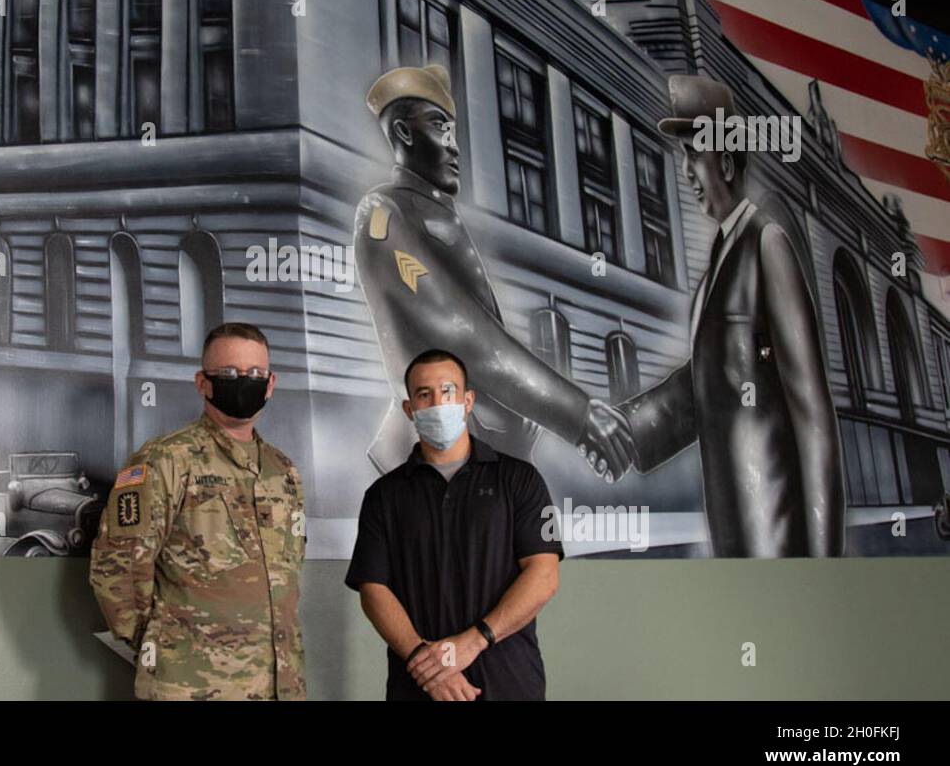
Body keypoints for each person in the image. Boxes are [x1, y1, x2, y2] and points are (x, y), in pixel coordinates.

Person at [353, 64, 635, 482]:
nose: (454, 147)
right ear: (404, 134)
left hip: (481, 464)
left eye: (452, 131)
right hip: (426, 466)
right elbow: (462, 331)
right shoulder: (384, 213)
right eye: (438, 127)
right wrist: (577, 414)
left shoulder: (435, 213)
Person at [618, 74, 845, 557]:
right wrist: (617, 430)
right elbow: (696, 387)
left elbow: (812, 412)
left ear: (723, 160)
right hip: (736, 535)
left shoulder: (768, 243)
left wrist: (827, 561)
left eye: (692, 156)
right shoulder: (719, 265)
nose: (686, 172)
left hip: (777, 538)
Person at [89, 322, 307, 699]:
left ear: (271, 384)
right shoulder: (165, 460)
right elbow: (117, 569)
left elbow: (288, 570)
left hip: (278, 684)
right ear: (202, 382)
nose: (244, 382)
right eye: (228, 374)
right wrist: (166, 643)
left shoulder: (282, 470)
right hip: (191, 684)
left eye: (255, 374)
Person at [345, 348, 563, 701]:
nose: (437, 402)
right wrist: (426, 664)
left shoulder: (520, 480)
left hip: (509, 684)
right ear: (409, 409)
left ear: (468, 400)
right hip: (419, 688)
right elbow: (373, 590)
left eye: (448, 391)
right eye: (423, 394)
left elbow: (544, 575)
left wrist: (474, 641)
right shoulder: (383, 495)